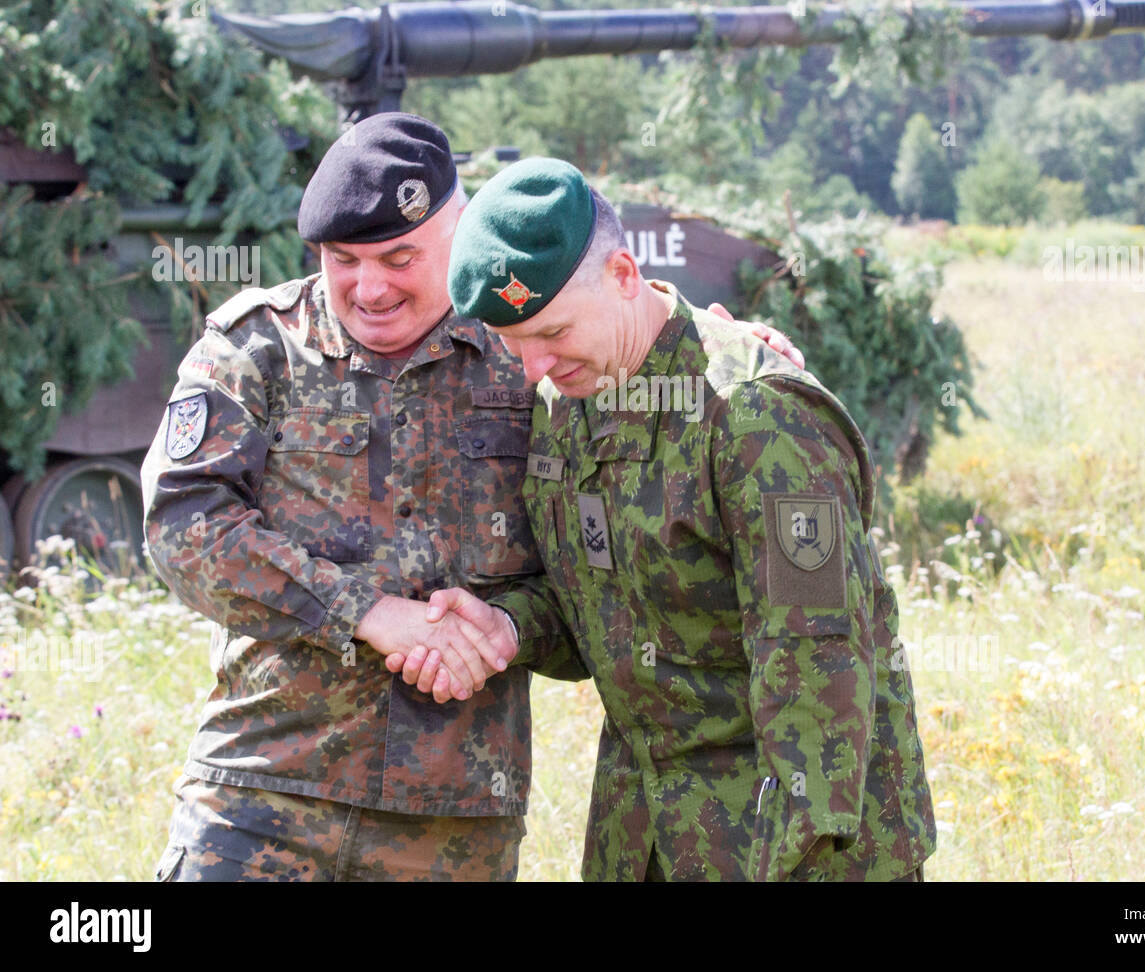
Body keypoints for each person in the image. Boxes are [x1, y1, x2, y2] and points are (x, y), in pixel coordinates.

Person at [142, 114, 802, 882]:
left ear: (459, 229)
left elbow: (609, 559)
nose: (370, 286)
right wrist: (365, 614)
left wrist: (504, 630)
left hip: (457, 821)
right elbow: (184, 527)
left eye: (399, 256)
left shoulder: (537, 352)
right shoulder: (254, 349)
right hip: (261, 796)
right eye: (342, 260)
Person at [403, 157, 937, 881]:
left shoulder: (755, 413)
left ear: (624, 275)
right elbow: (603, 605)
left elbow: (817, 657)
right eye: (513, 342)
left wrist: (794, 852)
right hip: (647, 830)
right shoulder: (568, 402)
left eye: (551, 331)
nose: (532, 367)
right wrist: (514, 626)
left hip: (793, 842)